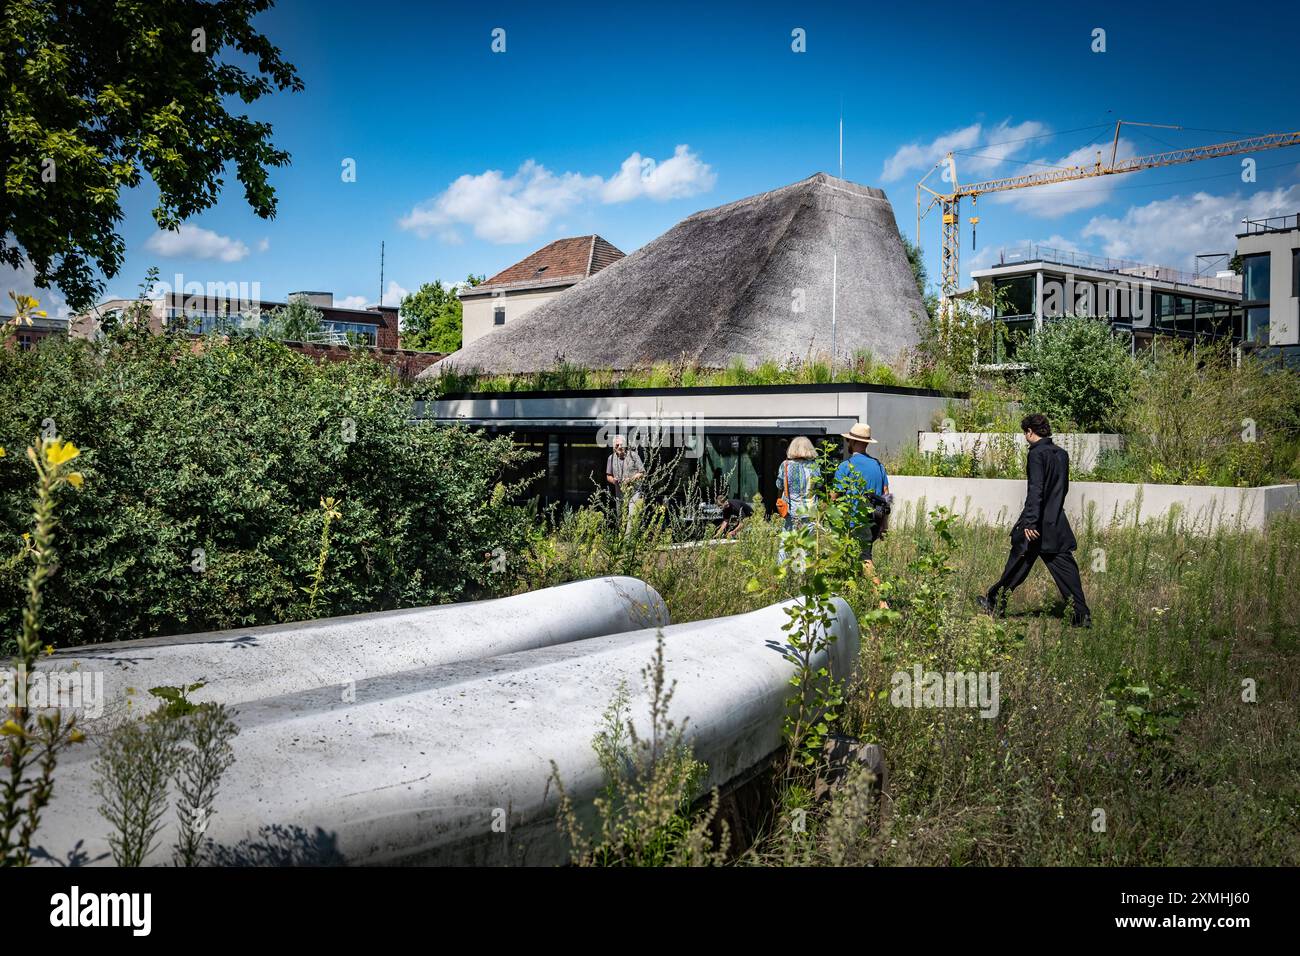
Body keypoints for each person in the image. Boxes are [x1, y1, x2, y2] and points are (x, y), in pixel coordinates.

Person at [979, 413, 1092, 627]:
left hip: (1036, 526)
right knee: (1065, 571)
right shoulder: (1062, 454)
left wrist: (1030, 522)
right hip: (1055, 523)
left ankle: (994, 603)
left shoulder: (1036, 454)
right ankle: (1081, 615)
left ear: (1030, 432)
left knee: (1017, 564)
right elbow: (1062, 489)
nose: (1024, 437)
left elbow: (1036, 490)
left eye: (1025, 432)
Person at [833, 423, 890, 575]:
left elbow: (834, 496)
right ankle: (856, 593)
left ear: (852, 442)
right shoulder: (879, 466)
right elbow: (886, 497)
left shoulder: (846, 466)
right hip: (875, 519)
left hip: (855, 521)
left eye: (848, 441)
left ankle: (881, 598)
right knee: (858, 557)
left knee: (864, 558)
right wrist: (884, 524)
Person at [775, 436, 818, 565]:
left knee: (786, 543)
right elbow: (819, 485)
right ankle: (803, 574)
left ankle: (782, 572)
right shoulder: (814, 466)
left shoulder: (785, 465)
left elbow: (779, 485)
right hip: (810, 510)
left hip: (791, 511)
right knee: (807, 544)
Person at [605, 435, 645, 523]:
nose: (619, 447)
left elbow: (642, 473)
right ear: (614, 447)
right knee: (621, 519)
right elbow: (608, 476)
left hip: (634, 492)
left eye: (621, 445)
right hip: (620, 493)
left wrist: (631, 479)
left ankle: (628, 537)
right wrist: (614, 481)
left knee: (632, 518)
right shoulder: (611, 458)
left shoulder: (634, 456)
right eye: (617, 445)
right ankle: (623, 536)